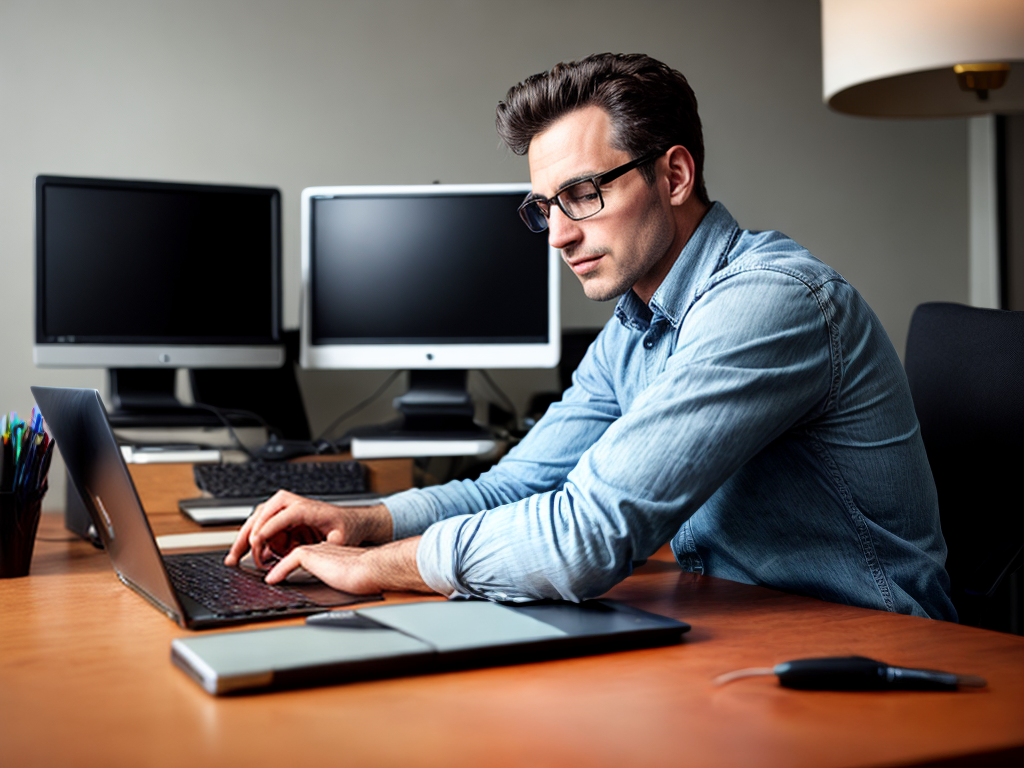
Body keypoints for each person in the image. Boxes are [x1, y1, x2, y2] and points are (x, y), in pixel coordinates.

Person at [227, 53, 956, 621]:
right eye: (545, 207)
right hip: (731, 624)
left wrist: (379, 566)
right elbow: (520, 484)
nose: (560, 235)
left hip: (870, 648)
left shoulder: (772, 303)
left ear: (673, 175)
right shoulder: (633, 325)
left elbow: (586, 536)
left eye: (584, 194)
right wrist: (368, 522)